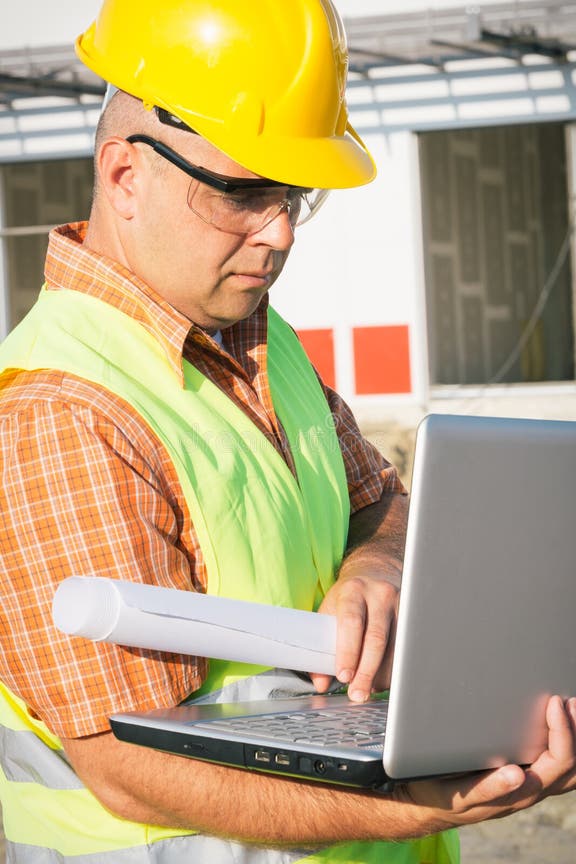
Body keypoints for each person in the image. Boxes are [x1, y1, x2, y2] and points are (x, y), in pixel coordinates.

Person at [0, 1, 575, 862]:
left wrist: (373, 569)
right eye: (241, 192)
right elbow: (126, 768)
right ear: (125, 175)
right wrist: (420, 806)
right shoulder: (61, 411)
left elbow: (381, 501)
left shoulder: (265, 346)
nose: (276, 235)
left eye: (293, 198)